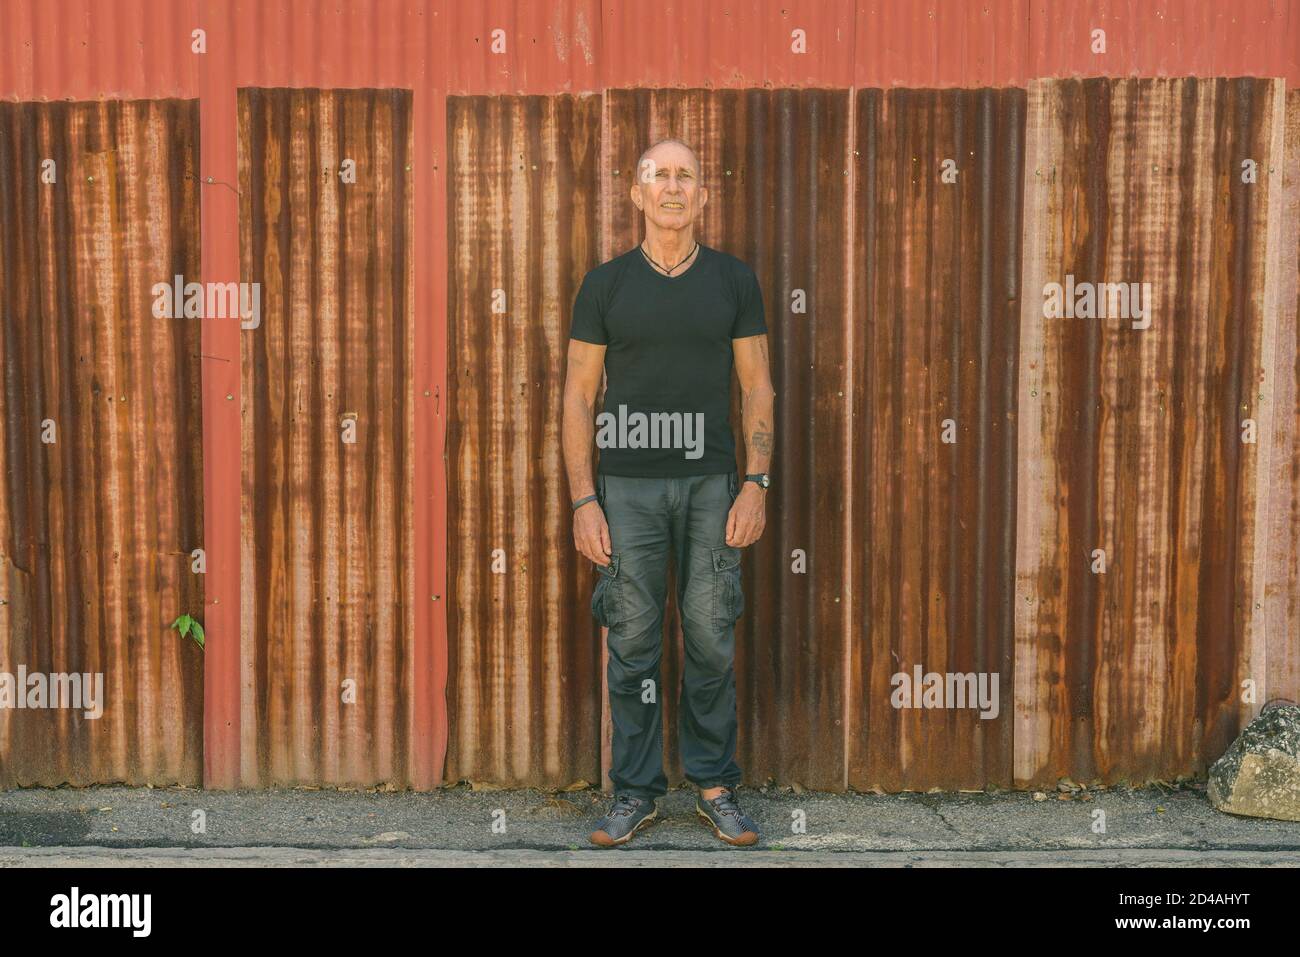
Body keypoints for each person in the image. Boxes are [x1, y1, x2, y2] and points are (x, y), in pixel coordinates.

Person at [561, 138, 775, 847]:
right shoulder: (605, 285)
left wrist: (756, 481)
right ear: (637, 193)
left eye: (687, 176)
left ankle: (715, 785)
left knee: (711, 635)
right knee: (632, 639)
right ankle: (635, 792)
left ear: (703, 195)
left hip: (713, 485)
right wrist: (583, 498)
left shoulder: (733, 281)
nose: (673, 188)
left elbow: (757, 386)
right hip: (626, 489)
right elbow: (578, 396)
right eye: (660, 176)